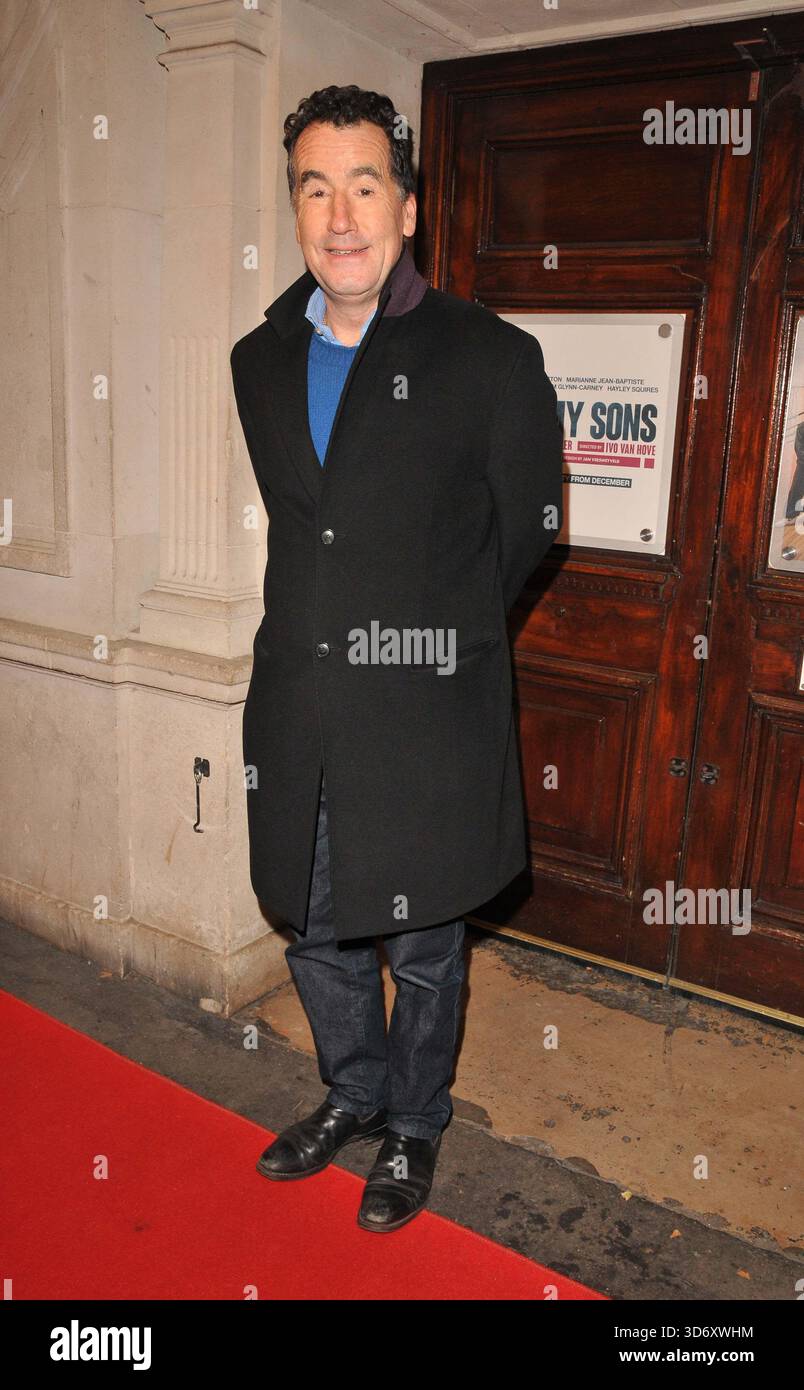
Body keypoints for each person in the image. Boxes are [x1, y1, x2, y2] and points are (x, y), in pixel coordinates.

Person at [230, 84, 563, 1233]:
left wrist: (432, 643)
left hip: (424, 717)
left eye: (364, 183)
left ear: (408, 207)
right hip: (302, 710)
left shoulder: (486, 354)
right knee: (313, 922)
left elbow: (526, 528)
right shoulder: (259, 358)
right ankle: (354, 1094)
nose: (339, 213)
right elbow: (303, 526)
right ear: (296, 207)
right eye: (314, 186)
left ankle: (416, 1124)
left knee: (422, 946)